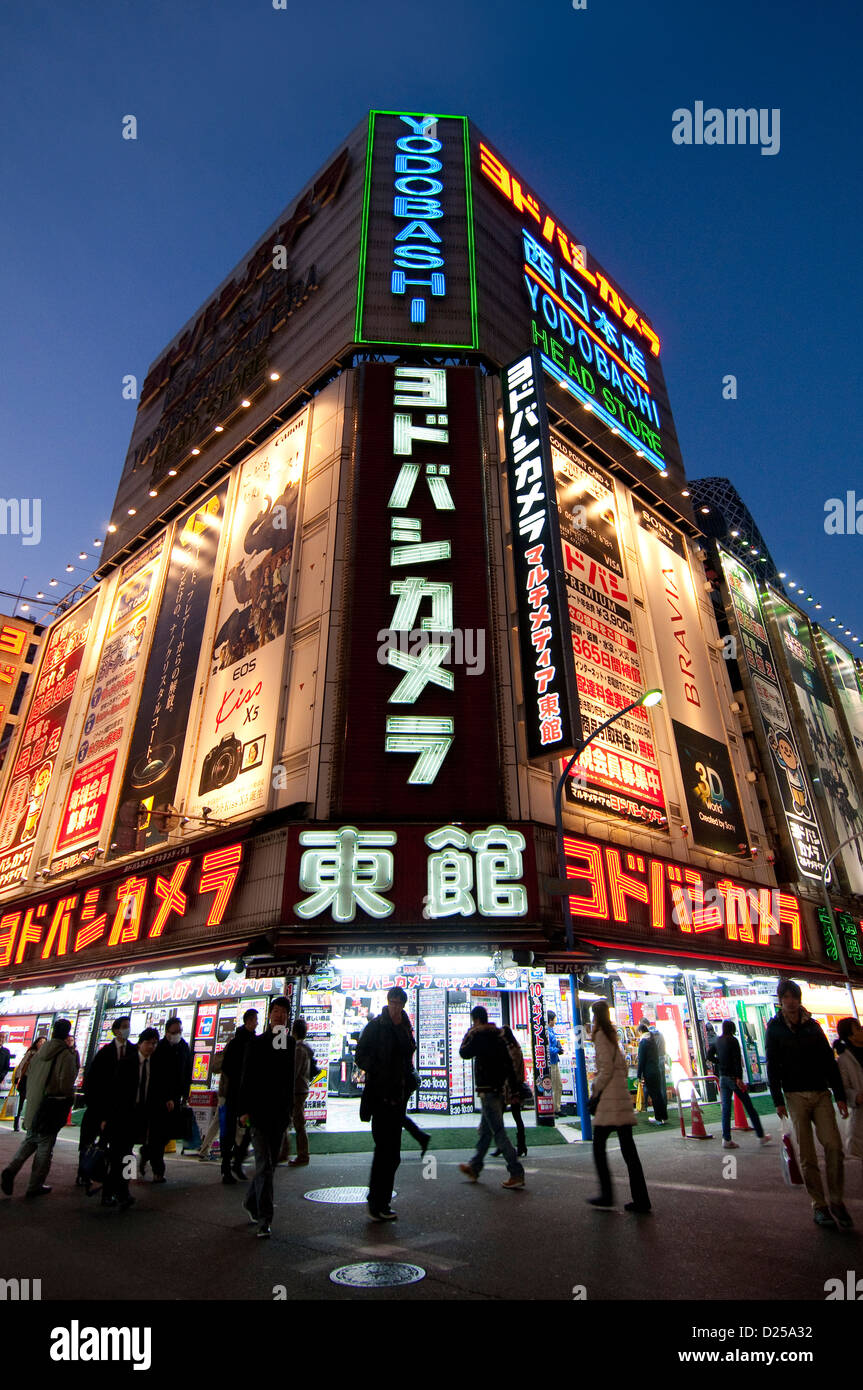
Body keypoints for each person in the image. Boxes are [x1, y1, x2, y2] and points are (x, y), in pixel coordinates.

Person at [766, 978, 851, 1229]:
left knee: (834, 1146)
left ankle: (836, 1200)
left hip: (821, 1093)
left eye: (794, 997)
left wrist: (840, 1095)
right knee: (807, 1154)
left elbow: (828, 1060)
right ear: (780, 1001)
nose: (791, 1002)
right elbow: (773, 1065)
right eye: (786, 998)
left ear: (799, 999)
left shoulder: (813, 1026)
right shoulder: (774, 1029)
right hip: (794, 1095)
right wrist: (777, 1099)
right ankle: (819, 1205)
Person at [355, 986, 417, 1220]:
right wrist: (378, 1069)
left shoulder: (404, 1026)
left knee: (394, 1153)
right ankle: (376, 1202)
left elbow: (410, 1050)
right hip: (380, 1095)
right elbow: (360, 1055)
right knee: (384, 1150)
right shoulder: (375, 1026)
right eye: (393, 1002)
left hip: (398, 1096)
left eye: (400, 1003)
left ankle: (383, 1201)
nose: (396, 1006)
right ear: (387, 1001)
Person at [238, 997, 295, 1237]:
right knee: (264, 1166)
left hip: (278, 1114)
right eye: (276, 1011)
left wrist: (289, 1111)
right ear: (269, 1015)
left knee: (268, 1165)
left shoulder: (288, 1044)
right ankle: (264, 1220)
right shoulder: (256, 1043)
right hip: (259, 1114)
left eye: (284, 1012)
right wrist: (244, 1110)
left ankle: (252, 1203)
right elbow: (247, 1077)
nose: (280, 1015)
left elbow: (288, 1079)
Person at [1, 1019, 78, 1199]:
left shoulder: (40, 1052)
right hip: (51, 1105)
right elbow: (65, 1082)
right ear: (67, 1033)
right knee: (45, 1144)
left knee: (30, 1139)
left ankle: (11, 1170)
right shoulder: (65, 1055)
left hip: (34, 1102)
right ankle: (34, 1185)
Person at [587, 1001, 651, 1214]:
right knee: (629, 1151)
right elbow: (621, 1067)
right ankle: (642, 1199)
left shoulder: (600, 1035)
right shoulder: (613, 1035)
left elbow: (605, 1069)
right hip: (621, 1100)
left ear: (595, 1015)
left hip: (609, 1103)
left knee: (598, 1147)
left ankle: (606, 1195)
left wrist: (595, 1089)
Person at [458, 1006, 526, 1191]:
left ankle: (516, 1171)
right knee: (487, 1131)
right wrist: (514, 1089)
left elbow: (463, 1052)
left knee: (498, 1132)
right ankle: (475, 1166)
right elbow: (508, 1064)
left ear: (476, 1020)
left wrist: (470, 1033)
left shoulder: (479, 1035)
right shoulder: (498, 1036)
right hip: (499, 1089)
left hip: (487, 1089)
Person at [85, 1016, 139, 1210]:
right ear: (115, 1030)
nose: (126, 1030)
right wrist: (101, 1116)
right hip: (110, 1113)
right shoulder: (105, 1053)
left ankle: (124, 1190)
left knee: (128, 1155)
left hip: (130, 1114)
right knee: (112, 1154)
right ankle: (106, 1190)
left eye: (128, 1027)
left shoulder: (134, 1053)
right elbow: (93, 1084)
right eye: (123, 1027)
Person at [707, 1019, 771, 1149]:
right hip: (734, 1078)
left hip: (723, 1078)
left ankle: (726, 1139)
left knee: (725, 1110)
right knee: (749, 1106)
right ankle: (761, 1135)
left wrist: (719, 1061)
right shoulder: (733, 1041)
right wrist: (739, 1078)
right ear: (732, 1029)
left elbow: (709, 1055)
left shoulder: (717, 1041)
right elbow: (737, 1060)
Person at [146, 1017, 193, 1181]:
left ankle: (147, 1152)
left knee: (167, 1134)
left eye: (179, 1031)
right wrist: (166, 1097)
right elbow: (157, 1076)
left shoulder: (184, 1047)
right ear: (167, 1032)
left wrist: (185, 1094)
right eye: (174, 1032)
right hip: (160, 1099)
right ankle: (158, 1170)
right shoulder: (159, 1049)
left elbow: (187, 1072)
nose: (177, 1034)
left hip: (176, 1098)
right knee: (159, 1134)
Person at [219, 1008, 257, 1184]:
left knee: (248, 1129)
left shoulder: (253, 1042)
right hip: (235, 1097)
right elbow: (227, 1067)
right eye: (254, 1020)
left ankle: (236, 1163)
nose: (256, 1022)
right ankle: (227, 1167)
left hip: (245, 1098)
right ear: (248, 1021)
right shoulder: (238, 1043)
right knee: (230, 1132)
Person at [492, 1025, 528, 1159]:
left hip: (512, 1087)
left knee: (514, 1116)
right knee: (508, 1116)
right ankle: (512, 1145)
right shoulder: (513, 1048)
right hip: (508, 1087)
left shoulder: (513, 1050)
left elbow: (511, 1069)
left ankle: (518, 1145)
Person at [286, 1018, 315, 1167]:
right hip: (301, 1088)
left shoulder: (298, 1050)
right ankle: (286, 1152)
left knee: (298, 1123)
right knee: (295, 1122)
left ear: (294, 1031)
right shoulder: (306, 1048)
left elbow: (293, 1072)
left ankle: (302, 1155)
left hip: (296, 1090)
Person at [834, 1018, 863, 1167]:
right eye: (858, 1029)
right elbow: (844, 1089)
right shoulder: (844, 1060)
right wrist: (857, 1097)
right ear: (850, 1036)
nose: (862, 1029)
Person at [11, 1036, 45, 1132]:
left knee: (33, 1103)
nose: (42, 1044)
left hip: (37, 1081)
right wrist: (17, 1077)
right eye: (40, 1042)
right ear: (36, 1043)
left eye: (44, 1042)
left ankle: (28, 1123)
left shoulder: (46, 1055)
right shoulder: (31, 1053)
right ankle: (16, 1121)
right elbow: (22, 1064)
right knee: (21, 1102)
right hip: (26, 1079)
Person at [636, 1023, 667, 1124]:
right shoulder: (652, 1040)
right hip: (656, 1069)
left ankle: (658, 1117)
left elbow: (641, 1060)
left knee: (654, 1095)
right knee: (658, 1093)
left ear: (640, 1032)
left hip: (648, 1072)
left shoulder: (643, 1042)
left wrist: (638, 1075)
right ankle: (663, 1115)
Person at [547, 1011, 564, 1115]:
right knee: (554, 1086)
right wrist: (558, 1050)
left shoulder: (552, 1031)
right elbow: (548, 1048)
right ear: (550, 1020)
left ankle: (557, 1108)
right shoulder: (547, 1032)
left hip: (555, 1061)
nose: (556, 1021)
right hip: (551, 1063)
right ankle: (554, 1109)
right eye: (555, 1019)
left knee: (559, 1085)